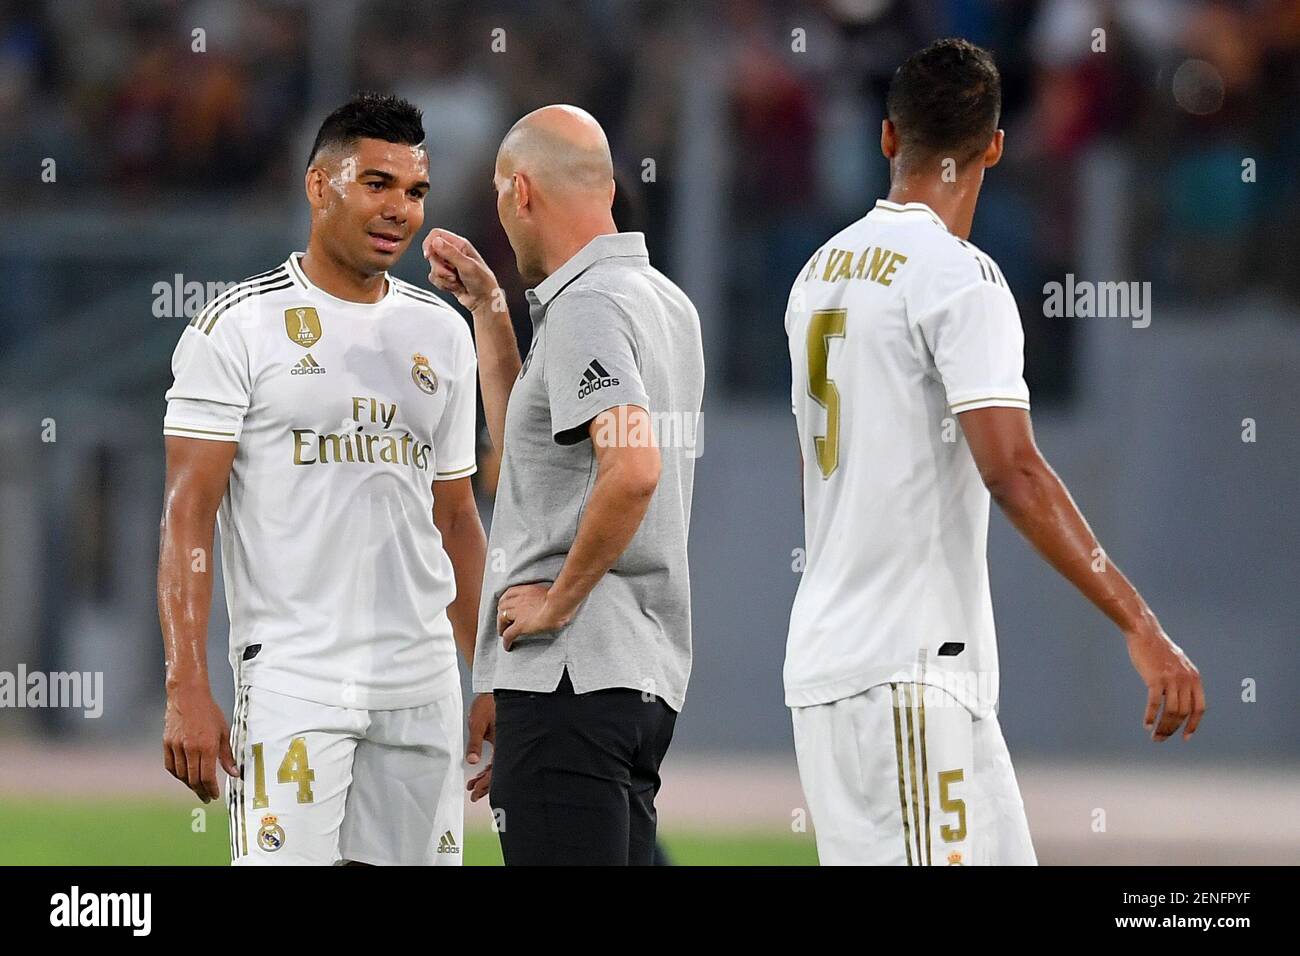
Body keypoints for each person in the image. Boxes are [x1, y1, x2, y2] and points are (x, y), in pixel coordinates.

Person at [783, 39, 1205, 866]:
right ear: (997, 146)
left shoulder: (815, 274)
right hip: (905, 672)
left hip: (867, 664)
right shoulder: (957, 277)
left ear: (887, 139)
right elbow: (1010, 470)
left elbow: (816, 476)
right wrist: (1139, 621)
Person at [157, 92, 487, 865]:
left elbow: (457, 520)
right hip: (295, 677)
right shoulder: (236, 327)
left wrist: (492, 672)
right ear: (318, 186)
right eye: (376, 184)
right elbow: (187, 513)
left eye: (414, 192)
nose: (399, 210)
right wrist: (185, 684)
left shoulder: (441, 331)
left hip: (423, 680)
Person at [424, 105, 705, 865]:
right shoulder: (664, 304)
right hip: (637, 681)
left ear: (520, 193)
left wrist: (558, 600)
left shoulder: (588, 308)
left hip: (569, 682)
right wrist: (490, 313)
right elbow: (540, 453)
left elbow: (633, 467)